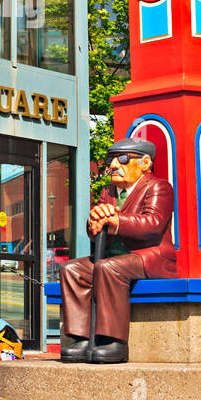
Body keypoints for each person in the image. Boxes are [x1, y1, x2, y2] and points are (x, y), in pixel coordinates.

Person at [58, 139, 176, 365]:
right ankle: (81, 337)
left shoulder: (158, 187)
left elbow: (153, 223)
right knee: (72, 269)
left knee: (108, 268)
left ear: (144, 163)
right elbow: (100, 225)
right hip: (115, 255)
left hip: (150, 255)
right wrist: (93, 223)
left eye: (122, 159)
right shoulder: (108, 191)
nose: (113, 165)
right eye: (111, 159)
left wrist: (115, 219)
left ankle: (114, 341)